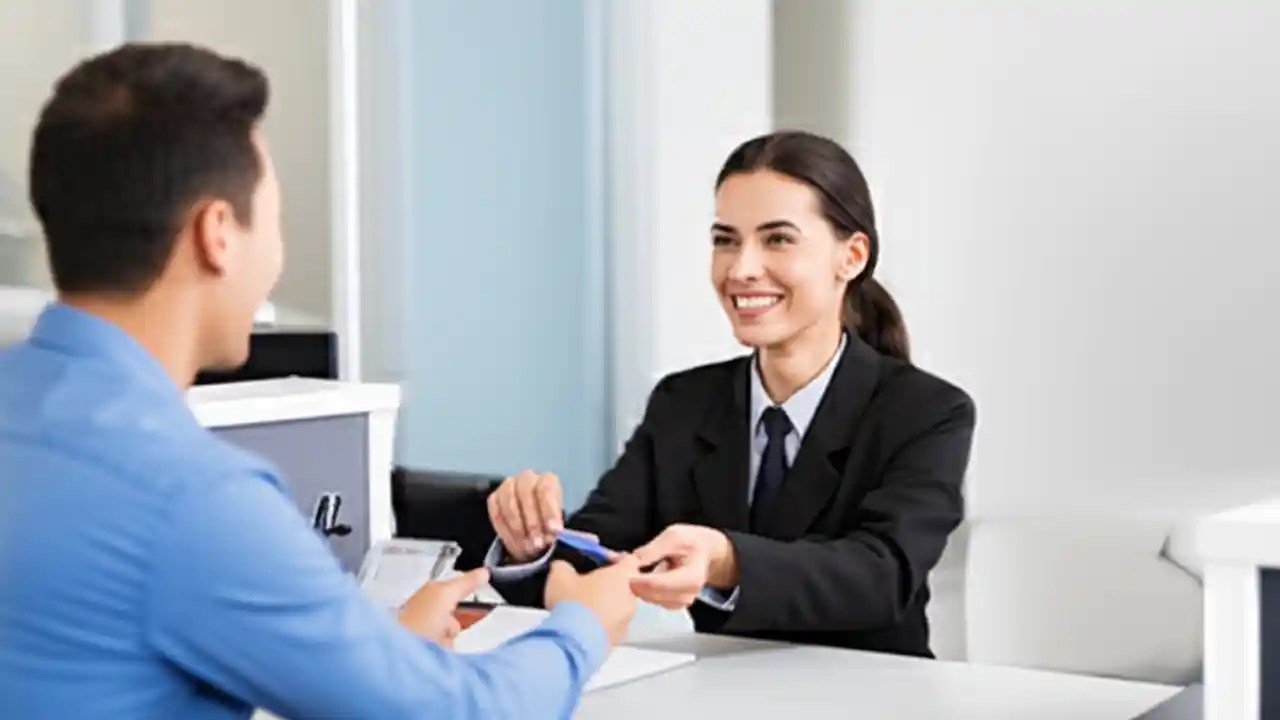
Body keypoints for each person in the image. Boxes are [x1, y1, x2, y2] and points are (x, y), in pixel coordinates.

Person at [0, 43, 640, 719]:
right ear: (217, 234)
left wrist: (378, 654)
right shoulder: (192, 497)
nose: (275, 255)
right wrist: (583, 629)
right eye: (272, 220)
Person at [485, 130, 976, 657]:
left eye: (778, 239)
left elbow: (881, 574)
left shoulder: (926, 412)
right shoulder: (684, 403)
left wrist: (728, 560)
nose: (741, 269)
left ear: (851, 257)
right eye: (725, 239)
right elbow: (598, 546)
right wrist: (533, 542)